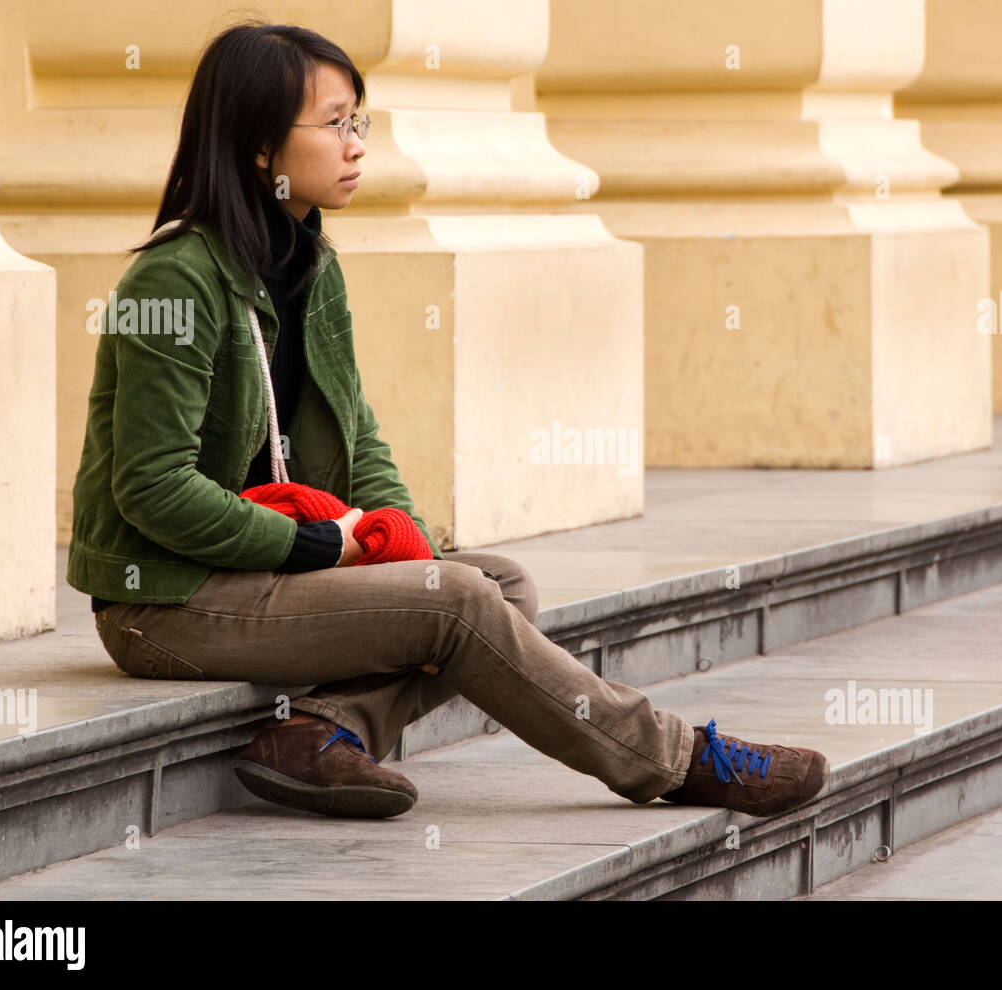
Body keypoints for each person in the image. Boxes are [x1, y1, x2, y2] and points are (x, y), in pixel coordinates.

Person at [68, 21, 830, 821]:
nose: (357, 144)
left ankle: (322, 732)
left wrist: (404, 539)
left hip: (265, 573)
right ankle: (676, 759)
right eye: (335, 124)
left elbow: (359, 438)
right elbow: (154, 489)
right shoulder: (177, 279)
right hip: (164, 604)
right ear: (260, 147)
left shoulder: (309, 265)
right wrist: (327, 544)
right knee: (457, 604)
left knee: (499, 585)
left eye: (358, 120)